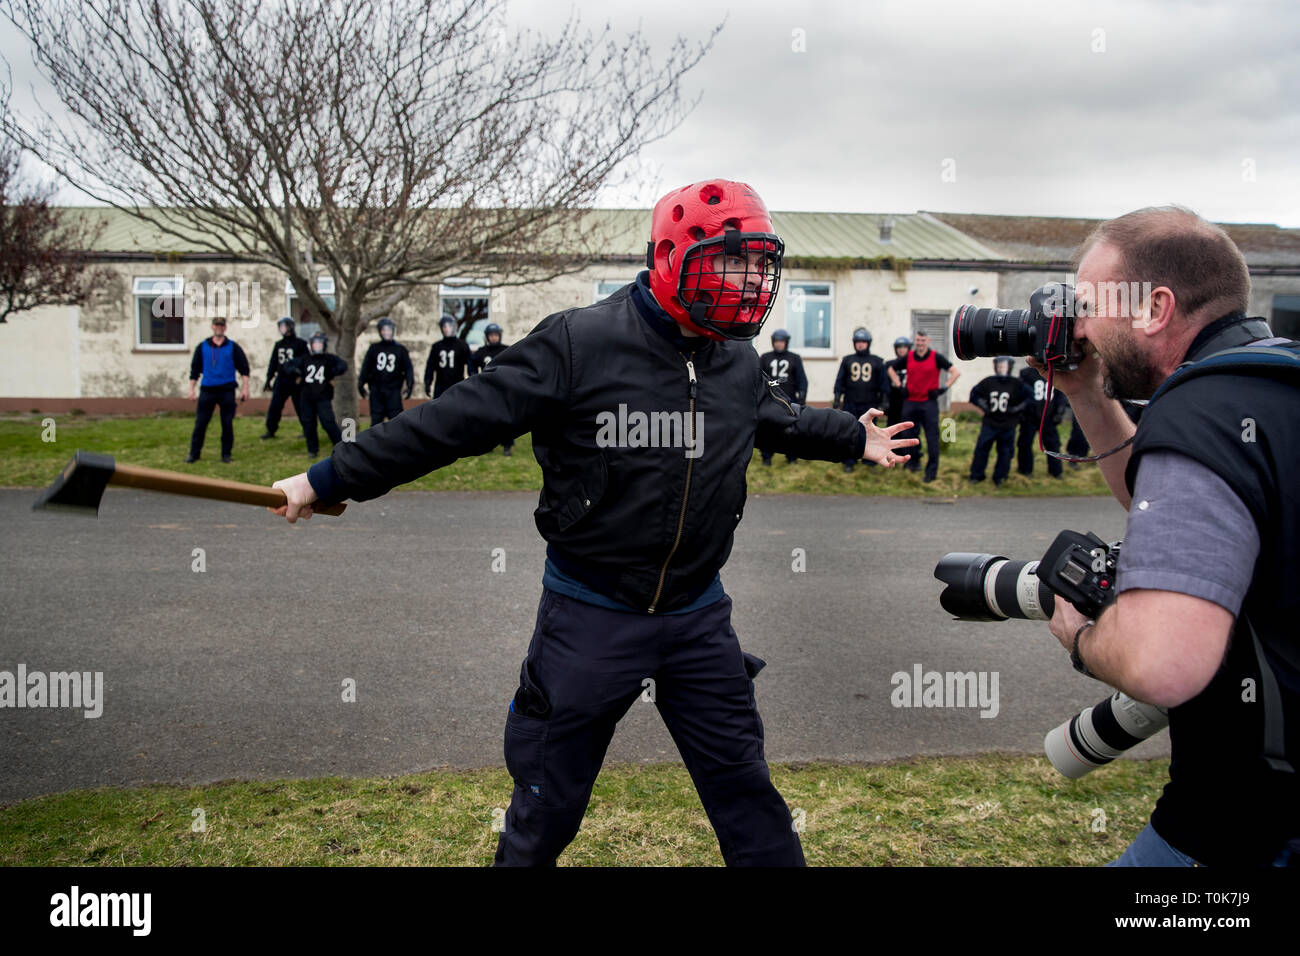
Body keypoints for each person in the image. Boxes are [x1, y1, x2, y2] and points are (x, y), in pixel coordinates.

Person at [268, 179, 916, 867]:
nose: (754, 281)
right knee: (547, 808)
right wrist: (326, 478)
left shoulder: (735, 358)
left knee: (748, 795)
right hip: (590, 617)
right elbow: (452, 422)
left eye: (761, 264)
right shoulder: (579, 344)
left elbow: (774, 418)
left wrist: (852, 436)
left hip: (699, 618)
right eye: (736, 262)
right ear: (674, 256)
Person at [1030, 205, 1299, 867]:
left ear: (1153, 308)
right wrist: (1089, 397)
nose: (1078, 328)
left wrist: (1085, 640)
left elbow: (1162, 662)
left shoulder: (1199, 412)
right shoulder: (1271, 383)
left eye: (1088, 306)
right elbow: (1190, 514)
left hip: (1244, 819)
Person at [888, 329, 960, 483]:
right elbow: (891, 369)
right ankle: (912, 465)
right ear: (915, 342)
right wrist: (900, 385)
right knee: (908, 436)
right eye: (918, 341)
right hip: (910, 402)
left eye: (923, 341)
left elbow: (955, 372)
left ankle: (931, 472)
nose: (920, 344)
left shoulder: (936, 357)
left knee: (932, 438)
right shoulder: (909, 357)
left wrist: (943, 389)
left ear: (928, 341)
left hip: (929, 404)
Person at [186, 317, 250, 463]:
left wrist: (245, 389)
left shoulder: (233, 347)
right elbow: (194, 370)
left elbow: (244, 369)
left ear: (225, 327)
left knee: (227, 423)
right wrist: (191, 389)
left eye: (222, 325)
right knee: (200, 423)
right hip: (207, 390)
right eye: (217, 325)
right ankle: (194, 454)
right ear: (212, 327)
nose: (219, 327)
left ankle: (226, 455)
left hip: (227, 390)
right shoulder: (202, 346)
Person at [281, 331, 348, 459]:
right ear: (311, 345)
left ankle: (341, 446)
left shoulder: (329, 358)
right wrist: (296, 371)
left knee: (328, 422)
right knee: (308, 423)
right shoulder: (305, 358)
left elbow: (343, 365)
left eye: (319, 344)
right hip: (306, 397)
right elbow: (287, 365)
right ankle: (312, 450)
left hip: (323, 396)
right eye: (314, 344)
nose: (317, 346)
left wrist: (333, 372)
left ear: (324, 345)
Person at [833, 327, 888, 473]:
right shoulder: (847, 360)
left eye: (863, 341)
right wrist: (837, 398)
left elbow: (883, 383)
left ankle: (869, 459)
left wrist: (884, 401)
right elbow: (840, 381)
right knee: (849, 431)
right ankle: (849, 460)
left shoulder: (877, 361)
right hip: (850, 402)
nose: (860, 344)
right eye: (858, 341)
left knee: (871, 432)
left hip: (870, 403)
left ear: (868, 343)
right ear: (854, 343)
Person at [967, 356, 1028, 487]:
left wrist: (1017, 408)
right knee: (981, 449)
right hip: (990, 423)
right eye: (999, 365)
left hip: (1008, 424)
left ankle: (1000, 477)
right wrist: (983, 406)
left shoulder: (1017, 383)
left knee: (1005, 452)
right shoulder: (988, 381)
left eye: (1004, 366)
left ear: (1010, 367)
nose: (1002, 368)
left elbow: (1030, 397)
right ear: (995, 367)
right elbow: (973, 395)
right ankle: (977, 475)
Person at [757, 328, 807, 466]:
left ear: (786, 342)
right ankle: (766, 457)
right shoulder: (765, 357)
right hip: (770, 399)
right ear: (773, 342)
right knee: (767, 430)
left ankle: (792, 457)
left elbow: (801, 378)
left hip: (789, 400)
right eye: (777, 341)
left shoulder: (794, 358)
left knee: (792, 429)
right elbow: (758, 378)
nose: (779, 344)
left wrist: (802, 394)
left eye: (782, 341)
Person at [358, 318, 414, 427]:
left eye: (389, 329)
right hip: (376, 390)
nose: (387, 332)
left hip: (393, 390)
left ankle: (397, 443)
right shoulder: (374, 348)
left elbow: (408, 368)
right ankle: (375, 444)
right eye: (384, 330)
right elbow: (366, 367)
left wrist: (410, 383)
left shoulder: (400, 349)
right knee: (376, 421)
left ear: (393, 330)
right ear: (380, 331)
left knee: (396, 421)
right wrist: (361, 383)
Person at [261, 316, 309, 440]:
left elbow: (306, 362)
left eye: (284, 326)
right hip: (281, 380)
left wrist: (301, 376)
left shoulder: (300, 344)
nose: (282, 329)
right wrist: (268, 380)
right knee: (275, 406)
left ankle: (307, 430)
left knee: (301, 407)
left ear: (291, 327)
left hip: (296, 381)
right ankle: (270, 430)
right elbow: (273, 363)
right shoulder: (279, 345)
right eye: (281, 327)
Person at [1015, 361, 1066, 479]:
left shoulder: (1055, 373)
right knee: (1024, 443)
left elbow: (1060, 394)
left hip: (1048, 416)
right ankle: (1025, 470)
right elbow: (1020, 393)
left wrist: (1059, 411)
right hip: (1030, 416)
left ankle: (1056, 472)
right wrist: (1021, 412)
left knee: (1053, 444)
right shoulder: (1026, 373)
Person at [472, 322, 514, 456]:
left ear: (499, 336)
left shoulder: (507, 350)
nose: (494, 337)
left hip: (503, 389)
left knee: (506, 419)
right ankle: (488, 444)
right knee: (486, 418)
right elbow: (472, 366)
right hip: (486, 389)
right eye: (491, 335)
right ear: (487, 336)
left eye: (496, 335)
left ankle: (507, 445)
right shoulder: (481, 352)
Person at [424, 316, 473, 399]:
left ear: (454, 327)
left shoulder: (462, 345)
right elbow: (430, 366)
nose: (446, 329)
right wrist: (428, 382)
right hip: (440, 386)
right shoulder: (437, 346)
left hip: (457, 384)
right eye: (444, 326)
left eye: (449, 326)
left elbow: (470, 364)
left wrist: (472, 380)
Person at [885, 336, 911, 426]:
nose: (901, 350)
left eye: (904, 347)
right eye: (899, 347)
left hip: (908, 399)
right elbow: (885, 383)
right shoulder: (889, 364)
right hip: (894, 398)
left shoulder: (912, 363)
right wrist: (885, 400)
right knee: (892, 426)